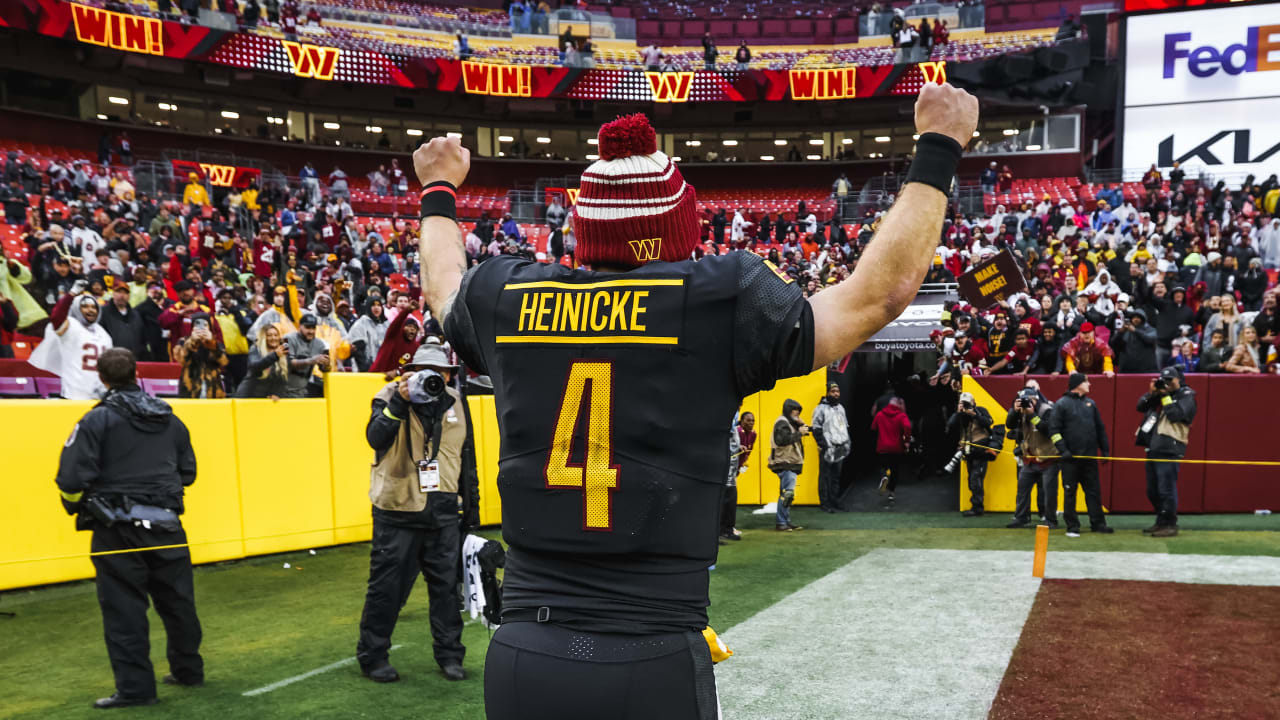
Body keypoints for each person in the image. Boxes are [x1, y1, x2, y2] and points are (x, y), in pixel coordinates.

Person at [415, 83, 978, 718]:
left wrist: (439, 190)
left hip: (523, 651)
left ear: (583, 234)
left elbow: (443, 288)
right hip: (651, 652)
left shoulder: (506, 296)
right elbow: (879, 295)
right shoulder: (718, 299)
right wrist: (937, 147)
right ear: (676, 233)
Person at [54, 348, 203, 708]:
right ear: (136, 374)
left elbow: (70, 479)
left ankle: (137, 690)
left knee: (124, 611)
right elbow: (189, 474)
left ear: (102, 379)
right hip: (168, 526)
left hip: (117, 531)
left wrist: (78, 505)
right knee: (178, 603)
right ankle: (188, 671)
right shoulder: (171, 419)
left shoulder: (96, 420)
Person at [357, 342, 480, 683]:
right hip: (397, 509)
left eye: (440, 373)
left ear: (448, 375)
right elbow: (375, 437)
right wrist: (401, 400)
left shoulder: (456, 400)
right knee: (386, 590)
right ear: (408, 373)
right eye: (424, 371)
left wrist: (472, 509)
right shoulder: (388, 397)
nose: (433, 378)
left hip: (442, 511)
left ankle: (450, 655)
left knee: (446, 590)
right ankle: (372, 656)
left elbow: (465, 457)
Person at [1048, 373, 1113, 537]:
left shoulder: (1091, 403)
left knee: (1094, 492)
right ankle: (1072, 526)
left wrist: (1105, 450)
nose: (1089, 384)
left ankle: (1098, 524)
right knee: (1070, 493)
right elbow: (1054, 431)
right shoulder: (1061, 404)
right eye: (1086, 382)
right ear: (1077, 384)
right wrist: (1064, 451)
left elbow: (1100, 428)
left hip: (1089, 458)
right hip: (1070, 460)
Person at [1135, 365, 1196, 538]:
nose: (1166, 383)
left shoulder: (1187, 395)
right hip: (1154, 445)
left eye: (1170, 380)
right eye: (1164, 380)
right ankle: (1161, 520)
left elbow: (1176, 415)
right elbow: (1140, 406)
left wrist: (1166, 396)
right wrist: (1152, 393)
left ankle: (1170, 523)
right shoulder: (1161, 393)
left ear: (1179, 380)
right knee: (1152, 490)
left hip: (1171, 446)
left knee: (1166, 488)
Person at [30, 294, 114, 400]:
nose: (90, 310)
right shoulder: (71, 325)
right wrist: (70, 295)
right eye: (85, 306)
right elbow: (56, 318)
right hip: (74, 393)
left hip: (99, 394)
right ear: (76, 308)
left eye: (94, 307)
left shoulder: (103, 333)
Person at [1005, 387, 1058, 529]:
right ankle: (1021, 517)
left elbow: (1048, 430)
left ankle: (1051, 520)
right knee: (1022, 488)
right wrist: (1014, 411)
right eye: (1024, 400)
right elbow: (1009, 425)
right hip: (1030, 458)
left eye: (1031, 400)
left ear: (1036, 399)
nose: (1028, 403)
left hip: (1048, 457)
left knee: (1049, 492)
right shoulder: (1021, 410)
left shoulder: (1047, 410)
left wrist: (1032, 415)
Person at [947, 391, 996, 517]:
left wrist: (974, 413)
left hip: (980, 451)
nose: (965, 406)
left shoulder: (980, 410)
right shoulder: (960, 415)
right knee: (971, 479)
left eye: (967, 403)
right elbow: (950, 426)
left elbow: (988, 422)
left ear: (973, 402)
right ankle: (976, 505)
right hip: (968, 451)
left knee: (976, 479)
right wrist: (959, 412)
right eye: (962, 403)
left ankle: (978, 507)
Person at [769, 398, 809, 530]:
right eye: (795, 411)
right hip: (785, 461)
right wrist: (800, 432)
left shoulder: (788, 422)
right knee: (787, 494)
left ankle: (785, 521)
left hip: (788, 461)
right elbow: (782, 440)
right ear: (788, 410)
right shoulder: (782, 422)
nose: (797, 414)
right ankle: (781, 522)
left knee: (786, 494)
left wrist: (801, 426)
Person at [811, 382, 849, 513]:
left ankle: (834, 501)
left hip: (839, 447)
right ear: (827, 393)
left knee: (836, 476)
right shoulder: (820, 408)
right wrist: (824, 445)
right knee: (825, 476)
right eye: (833, 391)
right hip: (827, 447)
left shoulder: (841, 408)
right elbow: (816, 428)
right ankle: (824, 503)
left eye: (837, 391)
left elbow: (844, 427)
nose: (836, 394)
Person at [871, 396, 911, 502]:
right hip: (896, 448)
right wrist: (907, 440)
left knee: (884, 466)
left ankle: (884, 475)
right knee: (895, 470)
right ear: (899, 404)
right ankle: (891, 493)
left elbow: (873, 428)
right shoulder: (902, 416)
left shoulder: (879, 415)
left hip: (882, 447)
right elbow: (907, 426)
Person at [722, 412, 755, 541]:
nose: (751, 423)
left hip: (731, 472)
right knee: (727, 502)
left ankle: (726, 529)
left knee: (729, 502)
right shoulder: (734, 426)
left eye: (753, 420)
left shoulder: (750, 433)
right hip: (727, 473)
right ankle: (725, 530)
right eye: (748, 420)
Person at [236, 324, 289, 398]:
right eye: (269, 335)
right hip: (248, 397)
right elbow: (255, 366)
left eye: (276, 335)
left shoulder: (283, 354)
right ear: (263, 337)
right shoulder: (255, 349)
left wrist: (277, 394)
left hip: (266, 399)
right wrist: (275, 355)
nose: (273, 338)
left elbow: (282, 381)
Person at [284, 314, 330, 397]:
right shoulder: (287, 339)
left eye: (313, 328)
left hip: (301, 391)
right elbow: (288, 363)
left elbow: (324, 369)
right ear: (299, 326)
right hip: (282, 390)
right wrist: (311, 361)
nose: (311, 331)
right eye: (308, 327)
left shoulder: (320, 344)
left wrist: (326, 365)